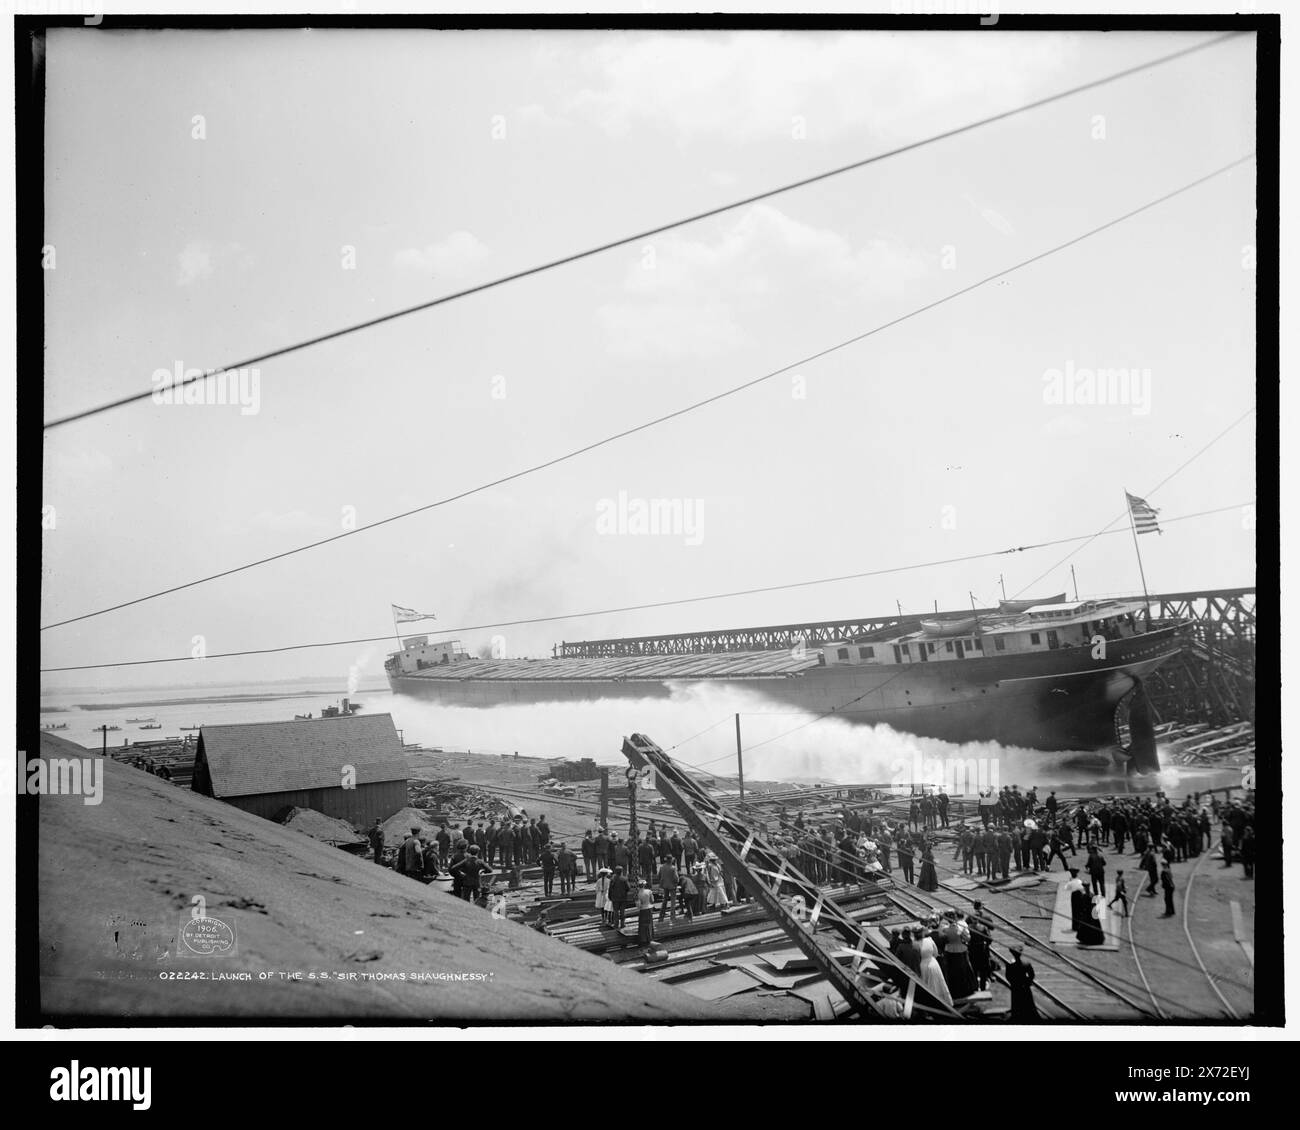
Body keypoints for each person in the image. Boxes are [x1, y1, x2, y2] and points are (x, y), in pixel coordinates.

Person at [916, 926, 954, 1008]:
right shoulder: (929, 940)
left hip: (923, 965)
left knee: (927, 985)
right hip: (933, 963)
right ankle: (945, 1001)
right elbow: (936, 953)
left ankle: (931, 1004)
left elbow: (916, 958)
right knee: (939, 982)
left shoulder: (915, 944)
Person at [1006, 945, 1039, 1021]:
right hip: (1025, 986)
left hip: (1016, 987)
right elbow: (1032, 975)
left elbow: (1008, 976)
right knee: (1028, 1003)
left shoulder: (1010, 965)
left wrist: (1013, 983)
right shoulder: (1026, 963)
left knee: (1016, 1003)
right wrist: (1027, 982)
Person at [657, 857, 680, 923]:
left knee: (664, 901)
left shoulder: (661, 867)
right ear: (671, 861)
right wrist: (676, 883)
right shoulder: (673, 868)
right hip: (672, 886)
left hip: (664, 885)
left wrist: (662, 882)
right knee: (673, 902)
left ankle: (661, 916)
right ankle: (672, 917)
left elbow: (659, 876)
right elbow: (676, 878)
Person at [635, 881, 656, 947]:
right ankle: (649, 938)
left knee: (642, 925)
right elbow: (652, 901)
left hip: (642, 910)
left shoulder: (637, 893)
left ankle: (643, 939)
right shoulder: (649, 891)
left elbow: (637, 904)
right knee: (649, 924)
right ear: (644, 885)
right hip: (648, 908)